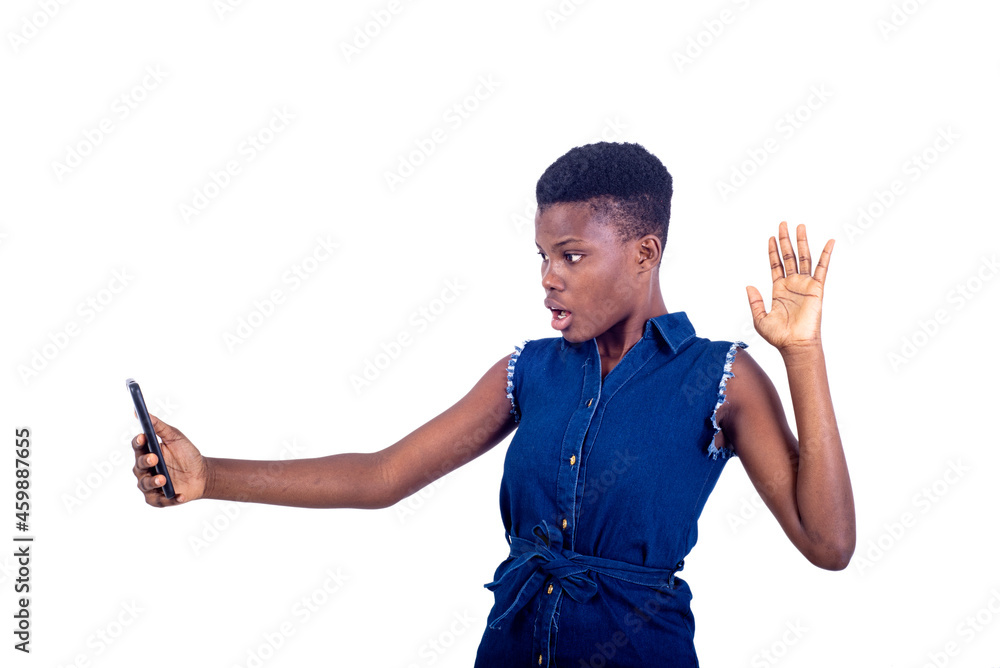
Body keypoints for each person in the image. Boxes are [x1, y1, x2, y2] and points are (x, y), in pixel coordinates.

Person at [131, 141, 855, 666]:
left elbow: (829, 544)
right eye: (542, 256)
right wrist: (208, 477)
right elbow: (383, 476)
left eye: (572, 255)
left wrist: (803, 355)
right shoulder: (527, 371)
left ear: (644, 252)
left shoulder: (719, 377)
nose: (549, 277)